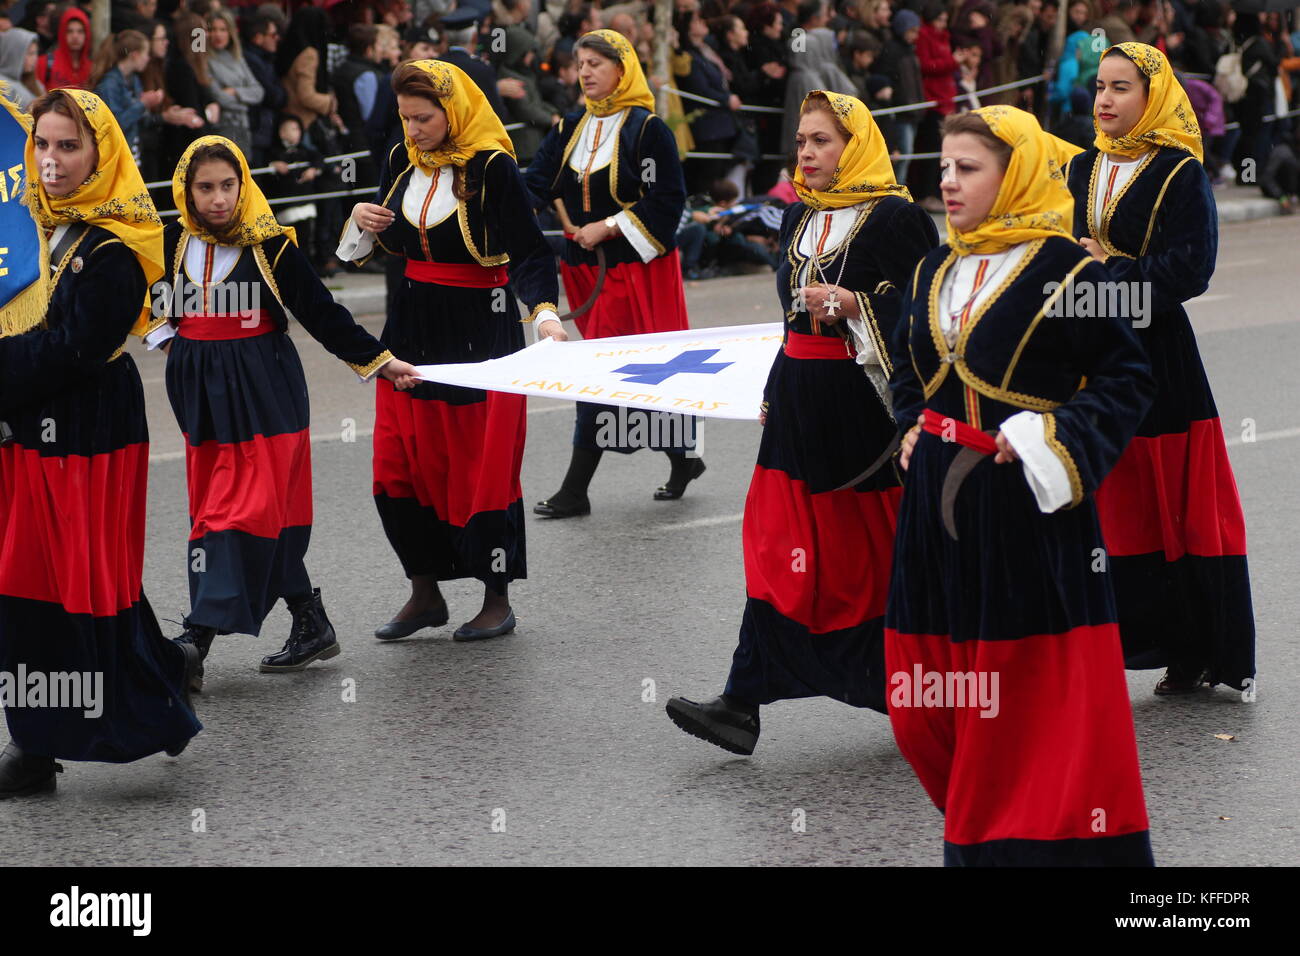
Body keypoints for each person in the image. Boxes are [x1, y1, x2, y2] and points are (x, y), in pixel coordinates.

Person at [887, 104, 1156, 866]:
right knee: (921, 705)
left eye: (968, 168)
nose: (948, 182)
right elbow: (910, 366)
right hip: (933, 517)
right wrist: (910, 421)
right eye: (943, 167)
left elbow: (1128, 377)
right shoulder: (932, 267)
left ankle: (1002, 850)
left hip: (1025, 513)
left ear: (1017, 175)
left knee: (1017, 711)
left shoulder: (1071, 272)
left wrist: (1050, 437)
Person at [666, 91, 939, 755]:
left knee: (870, 559)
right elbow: (788, 320)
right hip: (796, 402)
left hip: (859, 409)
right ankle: (742, 701)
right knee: (776, 552)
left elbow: (927, 309)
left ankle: (915, 692)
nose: (806, 155)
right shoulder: (796, 218)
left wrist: (854, 302)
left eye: (821, 142)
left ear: (855, 146)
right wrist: (772, 384)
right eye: (800, 143)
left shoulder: (894, 218)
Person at [152, 136, 420, 689]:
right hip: (200, 393)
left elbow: (320, 311)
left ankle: (194, 642)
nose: (219, 199)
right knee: (222, 510)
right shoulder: (172, 240)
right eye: (205, 188)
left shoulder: (270, 245)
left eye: (229, 185)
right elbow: (153, 301)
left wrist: (379, 360)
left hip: (264, 391)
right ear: (187, 191)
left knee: (241, 514)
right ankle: (309, 618)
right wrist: (171, 343)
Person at [0, 89, 201, 797]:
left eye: (69, 147)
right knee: (35, 584)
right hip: (30, 424)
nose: (51, 162)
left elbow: (73, 350)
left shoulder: (115, 246)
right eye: (43, 145)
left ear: (102, 154)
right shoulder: (39, 226)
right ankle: (38, 739)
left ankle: (121, 720)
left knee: (74, 589)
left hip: (86, 432)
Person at [340, 60, 563, 642]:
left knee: (478, 469)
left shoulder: (493, 167)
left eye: (424, 117)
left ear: (454, 109)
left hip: (480, 331)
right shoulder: (399, 161)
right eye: (406, 118)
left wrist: (544, 315)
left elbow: (531, 254)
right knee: (401, 466)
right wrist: (361, 223)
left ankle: (496, 597)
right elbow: (386, 240)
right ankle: (424, 591)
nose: (412, 130)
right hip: (410, 328)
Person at [1068, 43, 1255, 696]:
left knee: (1171, 505)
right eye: (1100, 86)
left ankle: (1198, 648)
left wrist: (1105, 271)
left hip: (1157, 357)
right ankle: (1108, 645)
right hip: (1089, 354)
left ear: (1153, 98)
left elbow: (1188, 272)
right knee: (1109, 506)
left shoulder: (1180, 173)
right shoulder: (1081, 167)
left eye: (1122, 87)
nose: (1106, 100)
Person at [525, 29, 702, 519]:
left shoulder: (648, 130)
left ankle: (576, 489)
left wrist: (608, 226)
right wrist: (484, 193)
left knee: (620, 374)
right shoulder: (568, 129)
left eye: (596, 64)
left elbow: (668, 202)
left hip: (637, 270)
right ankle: (685, 458)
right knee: (629, 376)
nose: (584, 72)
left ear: (622, 71)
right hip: (587, 273)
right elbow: (536, 185)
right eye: (580, 63)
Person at [91, 29, 160, 162]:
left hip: (133, 146)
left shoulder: (134, 80)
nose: (147, 58)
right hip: (115, 152)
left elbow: (140, 118)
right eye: (145, 53)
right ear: (134, 55)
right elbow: (114, 124)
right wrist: (142, 104)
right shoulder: (109, 84)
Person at [206, 8, 265, 160]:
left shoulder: (237, 58)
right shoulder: (205, 60)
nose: (218, 34)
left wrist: (235, 91)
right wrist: (244, 100)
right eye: (213, 29)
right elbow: (218, 96)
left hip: (243, 128)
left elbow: (258, 92)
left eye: (223, 29)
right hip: (221, 128)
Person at [35, 6, 91, 90]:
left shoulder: (92, 69)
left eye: (80, 31)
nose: (75, 36)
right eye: (69, 31)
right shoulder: (44, 63)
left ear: (86, 35)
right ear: (62, 33)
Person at [0, 26, 42, 109]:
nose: (35, 58)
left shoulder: (35, 82)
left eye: (36, 53)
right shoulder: (3, 85)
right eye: (30, 53)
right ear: (14, 53)